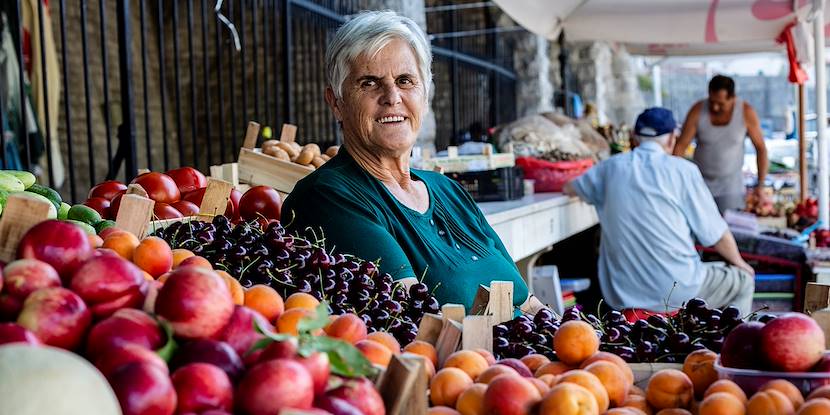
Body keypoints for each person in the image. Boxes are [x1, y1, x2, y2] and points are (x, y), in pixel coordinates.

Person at [281, 11, 530, 311]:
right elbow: (415, 317)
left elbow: (528, 304)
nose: (392, 96)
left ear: (424, 97)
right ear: (336, 102)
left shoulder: (449, 191)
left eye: (405, 80)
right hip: (462, 358)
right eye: (369, 83)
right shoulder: (326, 197)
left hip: (525, 355)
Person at [565, 107, 755, 314]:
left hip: (620, 296)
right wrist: (740, 263)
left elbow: (569, 187)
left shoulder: (609, 168)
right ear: (673, 138)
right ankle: (733, 345)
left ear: (633, 138)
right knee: (744, 281)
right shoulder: (683, 170)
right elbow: (716, 234)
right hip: (678, 290)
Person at [673, 74, 769, 214]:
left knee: (731, 230)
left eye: (721, 103)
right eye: (712, 102)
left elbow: (761, 149)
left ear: (732, 98)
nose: (715, 107)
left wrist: (760, 185)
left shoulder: (746, 112)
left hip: (731, 189)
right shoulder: (698, 110)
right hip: (700, 186)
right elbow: (680, 147)